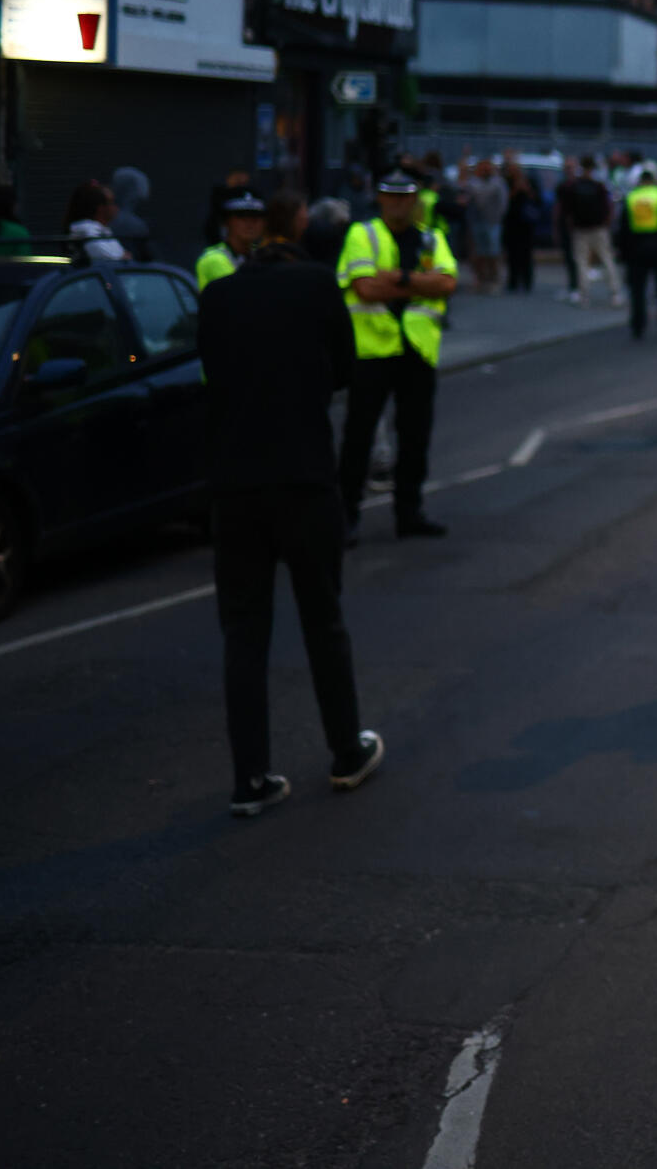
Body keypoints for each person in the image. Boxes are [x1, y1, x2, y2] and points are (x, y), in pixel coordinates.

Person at [197, 207, 383, 818]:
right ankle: (346, 752)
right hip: (304, 480)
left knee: (243, 634)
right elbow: (346, 371)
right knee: (323, 620)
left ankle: (250, 780)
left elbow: (211, 377)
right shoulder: (316, 286)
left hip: (234, 488)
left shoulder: (218, 296)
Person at [335, 171, 458, 546]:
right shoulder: (362, 234)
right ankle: (346, 517)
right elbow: (365, 288)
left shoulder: (430, 236)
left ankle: (409, 513)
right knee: (359, 438)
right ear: (381, 199)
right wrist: (420, 281)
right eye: (391, 196)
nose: (399, 202)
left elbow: (448, 283)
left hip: (417, 350)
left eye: (406, 197)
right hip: (372, 351)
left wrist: (399, 277)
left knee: (415, 437)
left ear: (415, 199)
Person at [617, 163, 657, 341]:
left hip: (637, 248)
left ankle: (638, 327)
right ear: (653, 181)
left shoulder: (631, 198)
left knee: (638, 291)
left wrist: (623, 253)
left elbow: (623, 229)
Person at [559, 159, 622, 308]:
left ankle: (584, 294)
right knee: (607, 259)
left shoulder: (574, 187)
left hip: (580, 229)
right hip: (598, 228)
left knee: (581, 262)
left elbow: (567, 210)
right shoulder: (598, 186)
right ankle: (615, 292)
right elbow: (608, 207)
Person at [194, 192, 268, 288]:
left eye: (256, 217)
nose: (250, 223)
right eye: (241, 216)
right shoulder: (214, 259)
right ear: (226, 221)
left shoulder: (261, 255)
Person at [465, 158, 508, 294]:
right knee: (479, 252)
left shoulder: (498, 183)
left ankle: (494, 279)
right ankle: (481, 279)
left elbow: (503, 203)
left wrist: (497, 218)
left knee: (493, 252)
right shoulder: (473, 183)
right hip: (477, 222)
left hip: (492, 222)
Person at [65, 179, 128, 264]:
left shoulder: (103, 230)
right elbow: (113, 261)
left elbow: (124, 258)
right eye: (112, 202)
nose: (115, 207)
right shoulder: (85, 230)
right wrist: (123, 258)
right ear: (100, 208)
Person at [502, 157, 540, 295]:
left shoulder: (529, 182)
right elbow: (503, 202)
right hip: (512, 223)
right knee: (512, 254)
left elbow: (537, 200)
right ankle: (513, 281)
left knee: (526, 254)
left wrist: (527, 189)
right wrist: (515, 191)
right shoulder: (507, 182)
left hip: (526, 225)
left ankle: (527, 281)